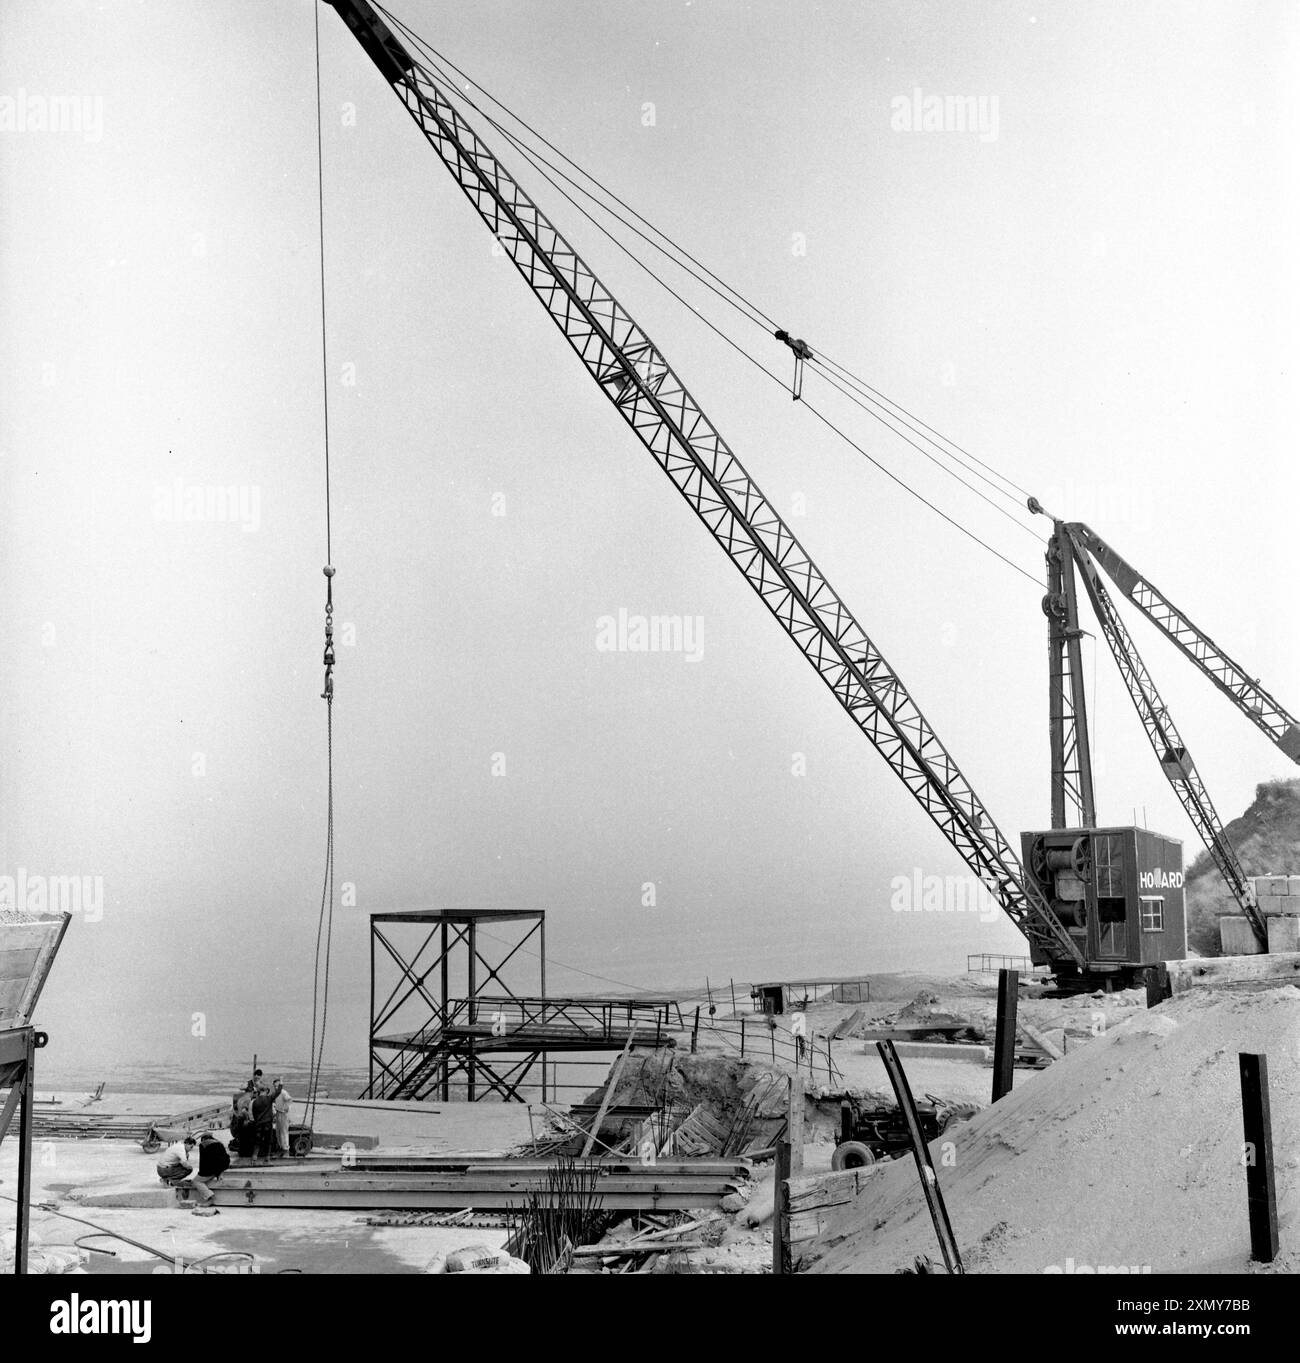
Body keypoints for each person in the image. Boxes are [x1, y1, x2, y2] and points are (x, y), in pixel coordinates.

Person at [155, 1136, 215, 1207]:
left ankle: (169, 1179)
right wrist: (191, 1167)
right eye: (191, 1147)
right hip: (164, 1170)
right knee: (189, 1169)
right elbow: (184, 1163)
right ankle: (168, 1179)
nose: (191, 1149)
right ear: (187, 1144)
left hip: (162, 1168)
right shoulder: (181, 1149)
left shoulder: (179, 1146)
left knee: (184, 1167)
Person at [249, 1082, 277, 1161]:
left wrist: (256, 1120)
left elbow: (253, 1114)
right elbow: (278, 1092)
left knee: (257, 1141)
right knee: (268, 1140)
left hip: (259, 1123)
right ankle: (267, 1157)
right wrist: (281, 1083)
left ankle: (254, 1156)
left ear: (258, 1091)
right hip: (268, 1123)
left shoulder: (254, 1101)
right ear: (266, 1091)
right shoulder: (269, 1099)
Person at [271, 1079, 293, 1158]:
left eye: (277, 1086)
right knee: (278, 1132)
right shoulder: (275, 1093)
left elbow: (289, 1100)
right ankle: (280, 1148)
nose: (276, 1087)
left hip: (283, 1114)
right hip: (278, 1113)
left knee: (284, 1132)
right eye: (275, 1086)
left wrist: (286, 1107)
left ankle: (286, 1149)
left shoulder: (283, 1092)